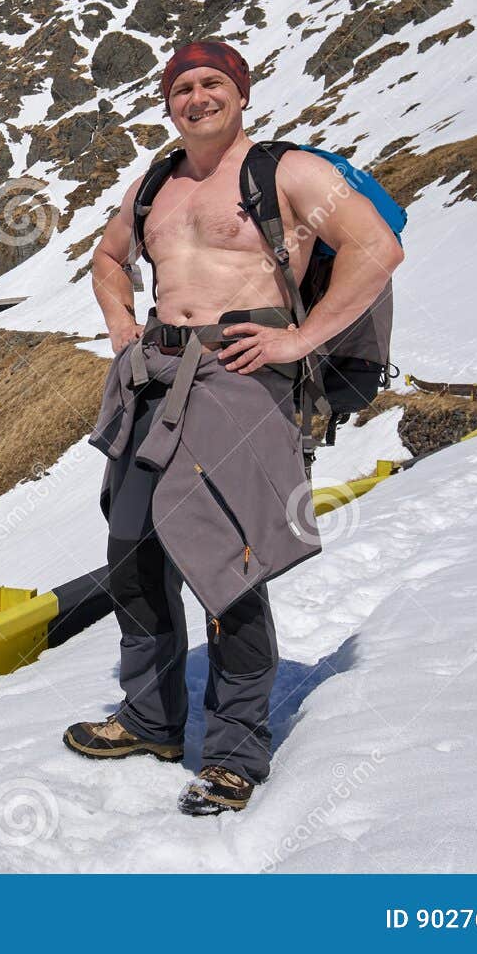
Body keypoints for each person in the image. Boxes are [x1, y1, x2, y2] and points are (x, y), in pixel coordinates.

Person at [65, 41, 404, 815]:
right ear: (168, 103)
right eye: (182, 87)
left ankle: (235, 750)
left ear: (241, 94)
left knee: (228, 563)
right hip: (153, 374)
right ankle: (151, 719)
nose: (197, 97)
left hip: (242, 379)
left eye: (212, 82)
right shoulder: (156, 181)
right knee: (132, 551)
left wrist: (298, 338)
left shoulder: (286, 171)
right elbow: (109, 258)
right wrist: (122, 328)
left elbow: (377, 247)